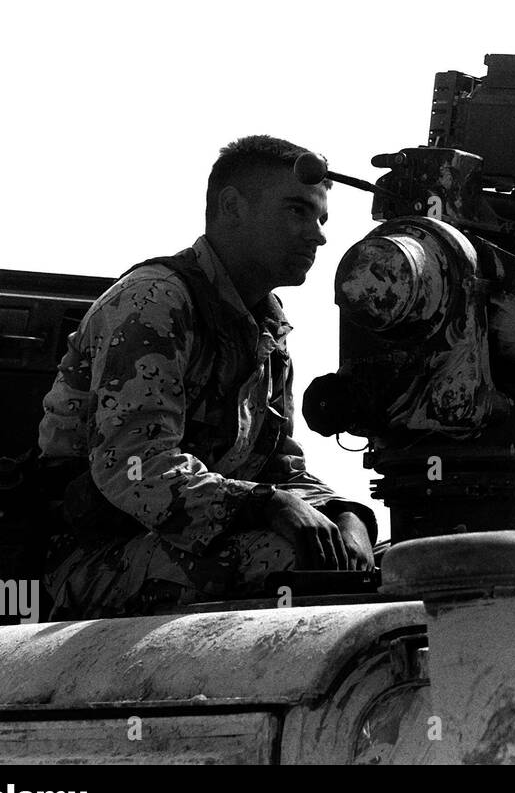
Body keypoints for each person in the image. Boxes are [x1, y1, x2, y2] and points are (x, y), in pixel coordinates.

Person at [35, 135, 375, 619]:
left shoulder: (265, 327)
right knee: (298, 565)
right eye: (298, 212)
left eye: (321, 220)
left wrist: (346, 516)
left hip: (188, 539)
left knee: (401, 567)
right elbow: (134, 467)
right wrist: (266, 505)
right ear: (232, 207)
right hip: (93, 556)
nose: (318, 236)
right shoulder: (154, 303)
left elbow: (277, 466)